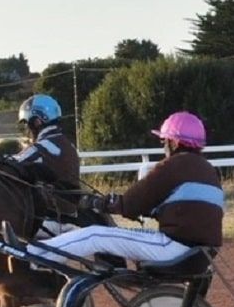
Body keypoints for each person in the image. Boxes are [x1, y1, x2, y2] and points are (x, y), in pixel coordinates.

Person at [37, 110, 222, 269]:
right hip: (199, 255)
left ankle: (34, 256)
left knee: (94, 234)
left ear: (173, 143)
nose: (164, 147)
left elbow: (131, 203)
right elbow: (184, 208)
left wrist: (100, 203)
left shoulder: (174, 165)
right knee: (106, 235)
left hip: (174, 249)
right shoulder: (208, 170)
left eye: (164, 141)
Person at [7, 94, 80, 189]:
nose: (27, 129)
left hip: (55, 201)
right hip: (72, 200)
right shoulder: (68, 144)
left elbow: (13, 162)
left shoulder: (44, 146)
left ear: (37, 122)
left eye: (27, 123)